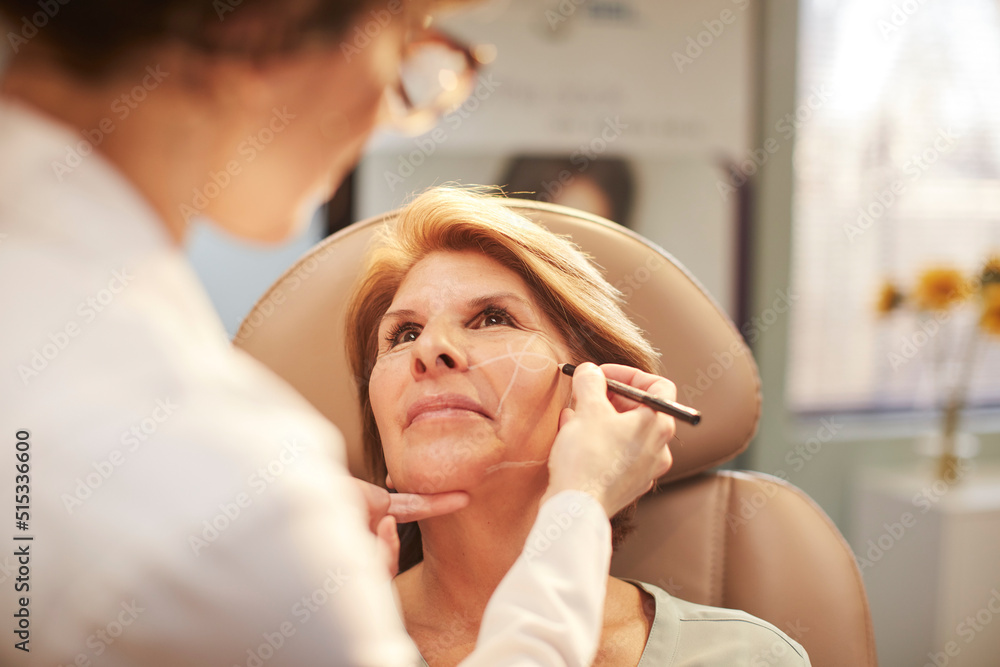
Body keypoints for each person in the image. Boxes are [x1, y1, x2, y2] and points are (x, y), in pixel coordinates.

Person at [0, 2, 675, 665]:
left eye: (493, 318)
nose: (390, 107)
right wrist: (579, 503)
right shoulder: (237, 501)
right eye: (405, 36)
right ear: (266, 22)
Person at [342, 186, 812, 666]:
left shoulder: (747, 658)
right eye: (404, 334)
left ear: (596, 400)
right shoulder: (296, 641)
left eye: (491, 318)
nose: (429, 348)